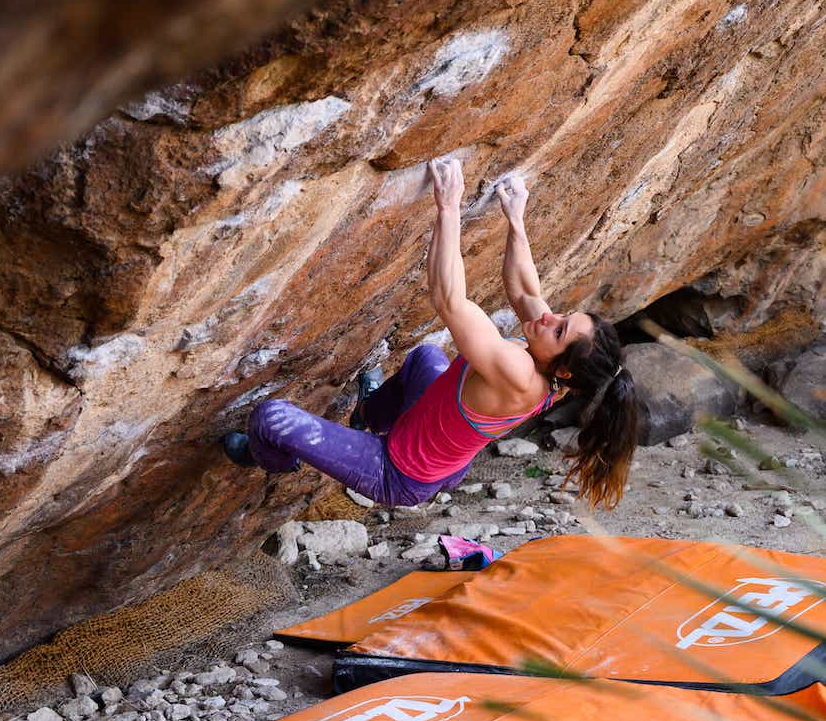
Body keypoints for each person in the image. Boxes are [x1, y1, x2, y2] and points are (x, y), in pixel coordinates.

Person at [222, 158, 639, 508]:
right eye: (563, 314)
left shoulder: (520, 375)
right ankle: (366, 414)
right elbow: (525, 291)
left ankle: (274, 458)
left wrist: (449, 208)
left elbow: (449, 301)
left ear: (564, 371)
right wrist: (516, 221)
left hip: (397, 472)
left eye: (561, 328)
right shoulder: (555, 360)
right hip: (443, 457)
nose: (550, 316)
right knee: (424, 359)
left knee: (270, 418)